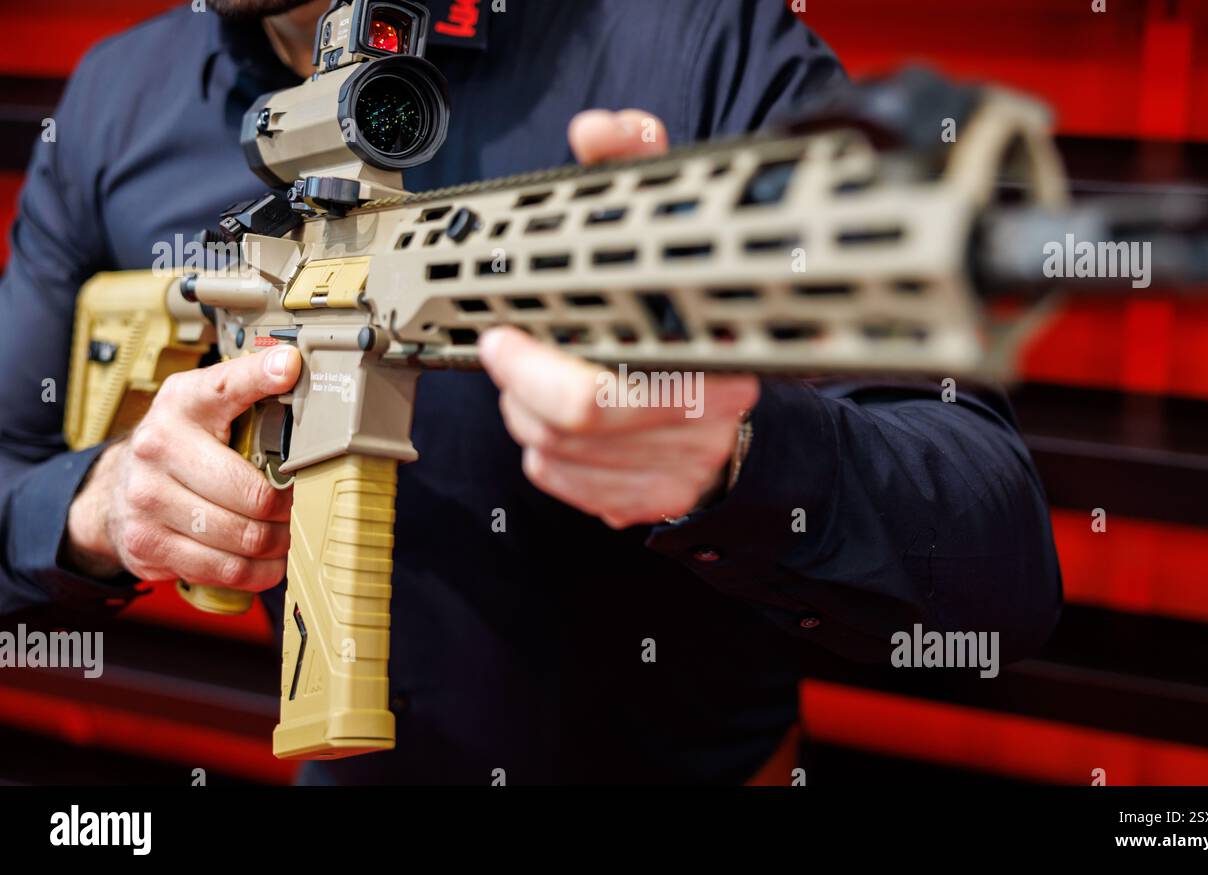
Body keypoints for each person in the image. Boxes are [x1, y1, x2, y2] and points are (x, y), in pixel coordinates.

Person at [0, 0, 1061, 784]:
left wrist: (744, 452)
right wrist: (103, 508)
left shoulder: (687, 42)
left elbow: (1000, 567)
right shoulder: (117, 99)